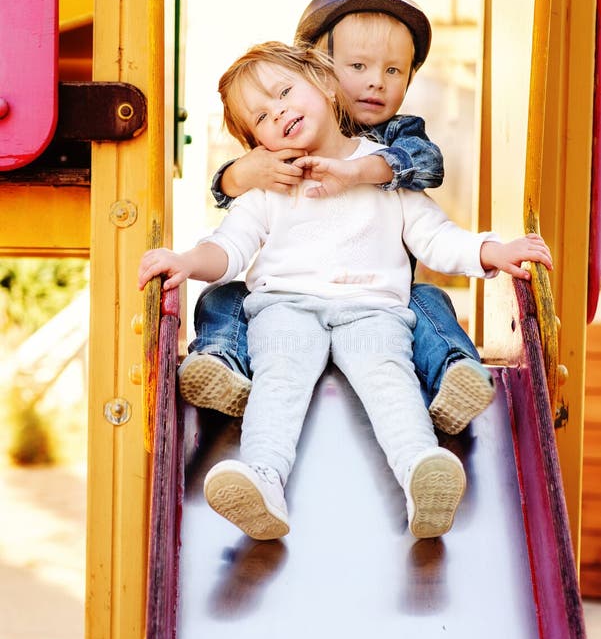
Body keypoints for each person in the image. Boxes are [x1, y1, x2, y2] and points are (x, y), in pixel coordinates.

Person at [138, 41, 552, 542]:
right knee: (280, 383)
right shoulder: (271, 186)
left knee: (389, 381)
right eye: (262, 117)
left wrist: (491, 251)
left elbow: (436, 238)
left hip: (372, 310)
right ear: (258, 144)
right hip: (286, 308)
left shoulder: (384, 170)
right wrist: (185, 261)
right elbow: (227, 248)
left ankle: (423, 472)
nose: (280, 112)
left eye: (285, 91)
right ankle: (264, 480)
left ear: (326, 83)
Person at [179, 0, 494, 435]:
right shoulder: (290, 132)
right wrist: (242, 173)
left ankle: (454, 372)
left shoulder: (400, 133)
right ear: (320, 71)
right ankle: (224, 365)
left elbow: (425, 164)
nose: (375, 82)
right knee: (223, 296)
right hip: (293, 309)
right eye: (359, 65)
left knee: (427, 300)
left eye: (394, 71)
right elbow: (234, 202)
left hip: (373, 305)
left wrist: (357, 172)